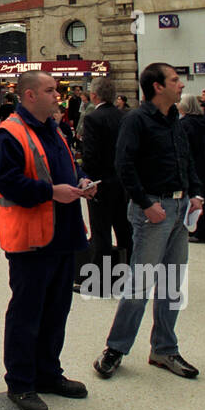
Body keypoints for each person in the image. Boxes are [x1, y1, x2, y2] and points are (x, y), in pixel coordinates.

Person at [0, 71, 96, 410]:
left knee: (56, 310)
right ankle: (20, 382)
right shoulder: (8, 134)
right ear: (30, 95)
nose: (58, 96)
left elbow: (62, 169)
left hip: (63, 235)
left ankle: (49, 372)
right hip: (31, 240)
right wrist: (52, 192)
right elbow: (6, 183)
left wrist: (79, 182)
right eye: (51, 90)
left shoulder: (55, 129)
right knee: (26, 312)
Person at [94, 63, 204, 381]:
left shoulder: (175, 121)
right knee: (140, 285)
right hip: (152, 210)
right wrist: (145, 203)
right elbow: (123, 164)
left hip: (180, 208)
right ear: (157, 86)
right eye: (174, 80)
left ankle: (164, 349)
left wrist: (195, 193)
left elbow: (186, 160)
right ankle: (115, 348)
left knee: (171, 283)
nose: (181, 85)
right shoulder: (136, 120)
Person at [75, 77, 131, 296]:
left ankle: (100, 282)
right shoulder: (125, 116)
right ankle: (130, 276)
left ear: (95, 95)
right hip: (122, 183)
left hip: (101, 183)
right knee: (125, 230)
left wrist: (85, 175)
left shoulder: (92, 119)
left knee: (101, 233)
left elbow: (91, 155)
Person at [177, 95, 205, 245]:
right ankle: (201, 231)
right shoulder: (203, 121)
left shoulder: (185, 124)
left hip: (194, 165)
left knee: (194, 198)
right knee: (201, 199)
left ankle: (200, 232)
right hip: (204, 164)